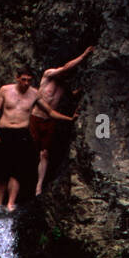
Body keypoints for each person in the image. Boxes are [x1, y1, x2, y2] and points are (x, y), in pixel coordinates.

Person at [30, 45, 94, 196]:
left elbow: (72, 96)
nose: (66, 74)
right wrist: (84, 55)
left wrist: (83, 89)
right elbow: (51, 112)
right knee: (32, 151)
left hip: (49, 122)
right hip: (36, 118)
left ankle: (39, 186)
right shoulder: (49, 75)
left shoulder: (64, 85)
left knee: (44, 153)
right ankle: (27, 181)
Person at [0, 67, 39, 210]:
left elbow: (48, 109)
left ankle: (11, 203)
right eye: (23, 79)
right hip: (4, 132)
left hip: (22, 134)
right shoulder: (5, 90)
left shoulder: (35, 94)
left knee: (18, 171)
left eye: (29, 80)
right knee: (2, 170)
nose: (26, 83)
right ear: (17, 78)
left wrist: (69, 118)